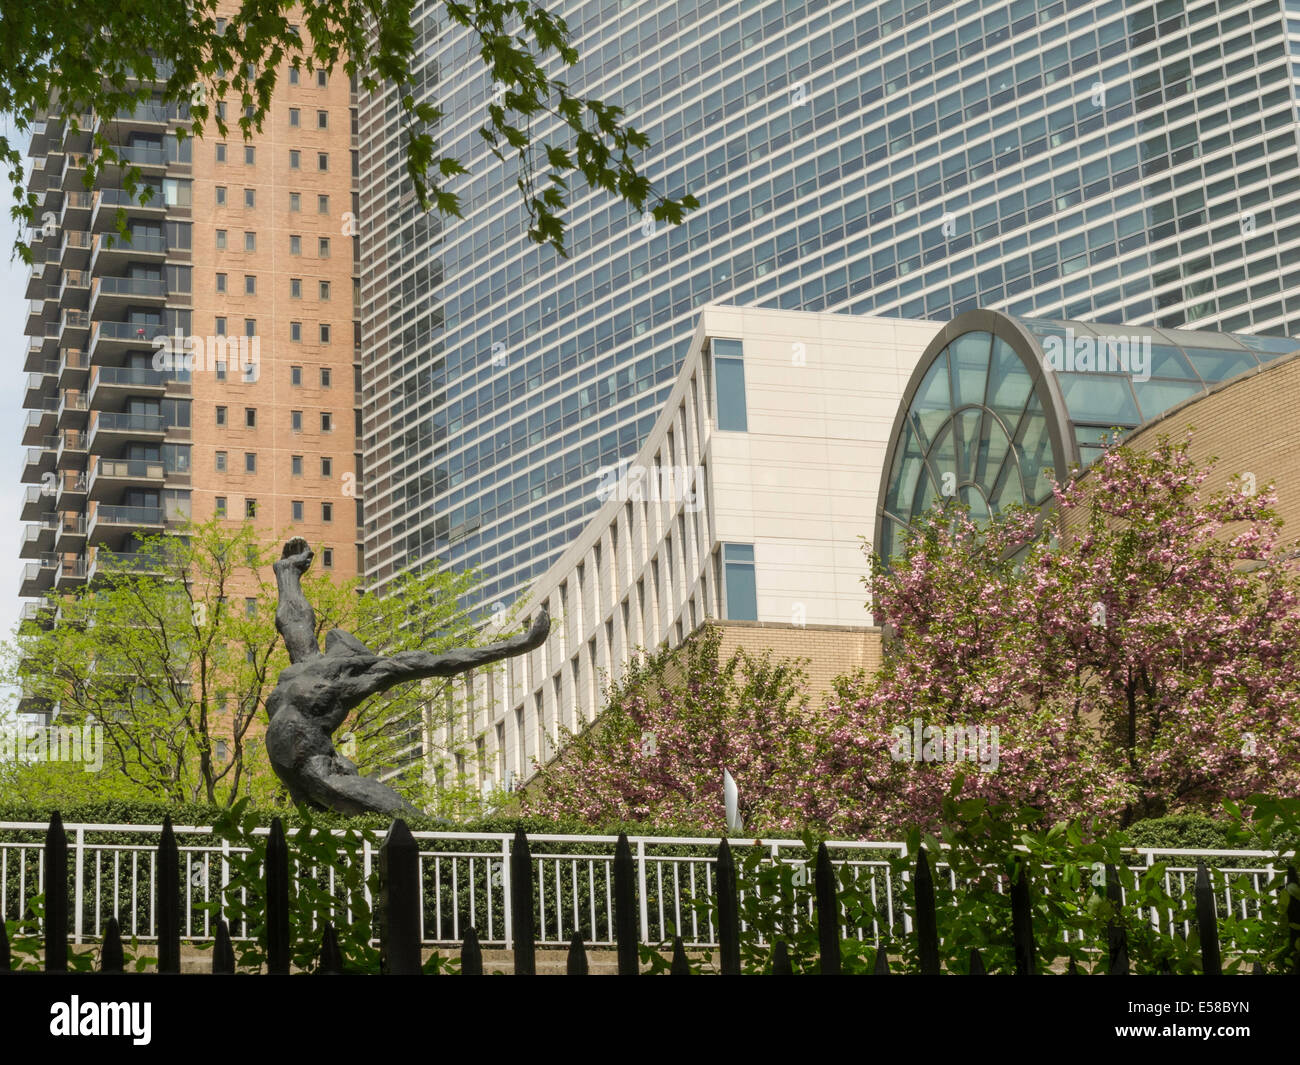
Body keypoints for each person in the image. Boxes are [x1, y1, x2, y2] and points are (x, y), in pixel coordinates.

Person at [266, 537, 549, 816]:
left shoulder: (304, 664)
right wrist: (515, 645)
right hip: (304, 764)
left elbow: (293, 617)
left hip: (288, 761)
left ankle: (416, 827)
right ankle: (424, 825)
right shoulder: (348, 682)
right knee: (335, 789)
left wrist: (288, 573)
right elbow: (441, 662)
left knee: (332, 808)